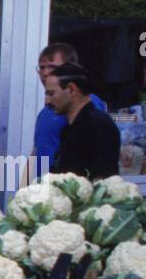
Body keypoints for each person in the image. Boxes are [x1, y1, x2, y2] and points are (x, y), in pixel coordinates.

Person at [32, 42, 106, 179]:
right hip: (43, 191)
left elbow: (97, 154)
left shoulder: (87, 103)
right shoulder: (44, 113)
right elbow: (36, 152)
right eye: (42, 68)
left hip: (70, 190)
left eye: (52, 67)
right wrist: (23, 188)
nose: (45, 73)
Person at [46, 62, 121, 180]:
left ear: (71, 89)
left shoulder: (98, 125)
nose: (48, 101)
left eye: (51, 93)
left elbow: (104, 181)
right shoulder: (68, 128)